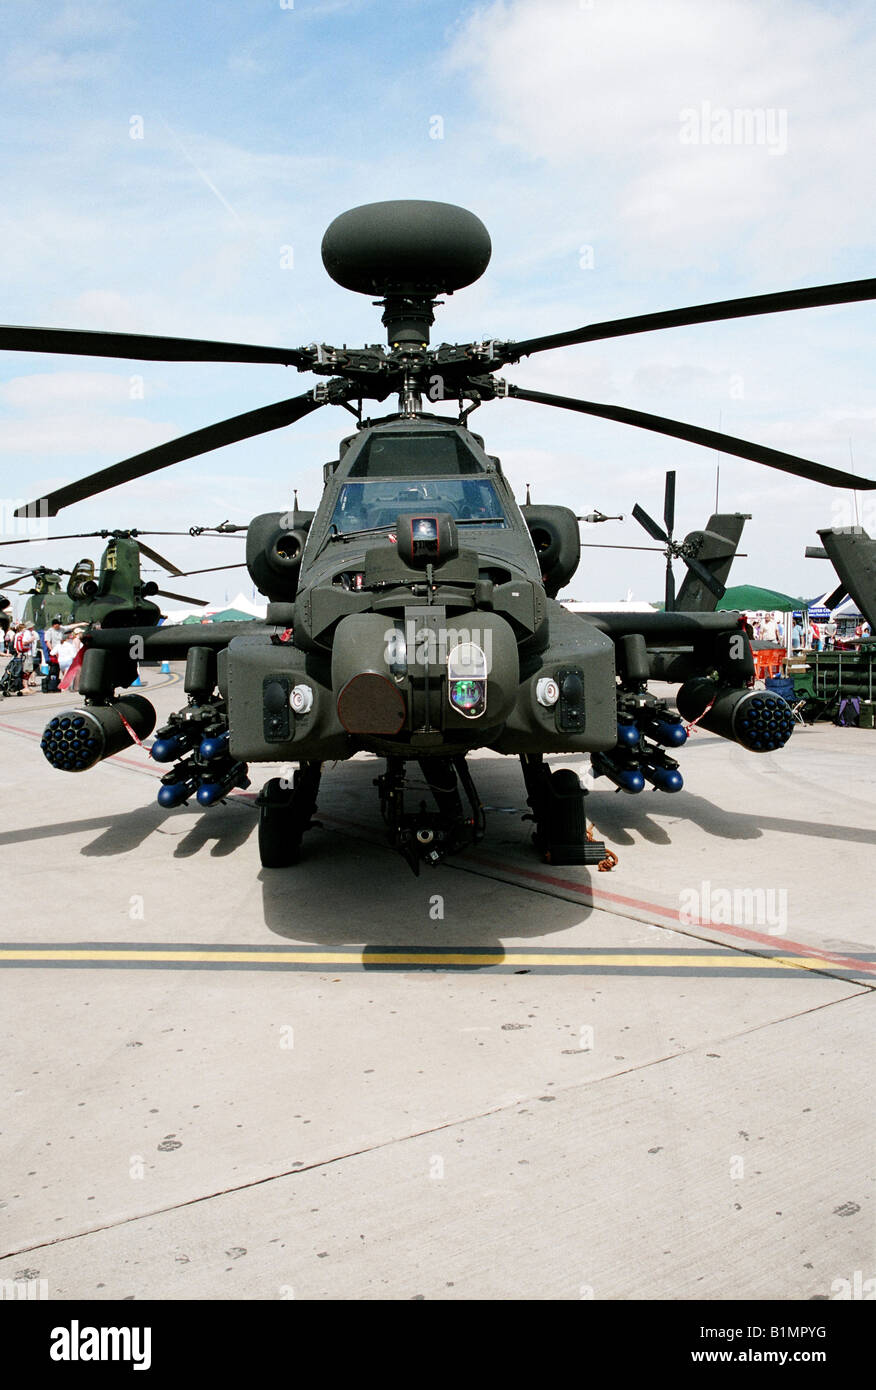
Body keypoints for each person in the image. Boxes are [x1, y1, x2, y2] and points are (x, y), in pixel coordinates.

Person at [43, 615, 63, 691]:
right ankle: (52, 685)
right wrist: (53, 651)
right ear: (54, 625)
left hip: (58, 652)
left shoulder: (59, 630)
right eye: (58, 624)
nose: (59, 626)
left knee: (56, 669)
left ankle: (55, 684)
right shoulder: (49, 632)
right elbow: (47, 642)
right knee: (53, 669)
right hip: (53, 654)